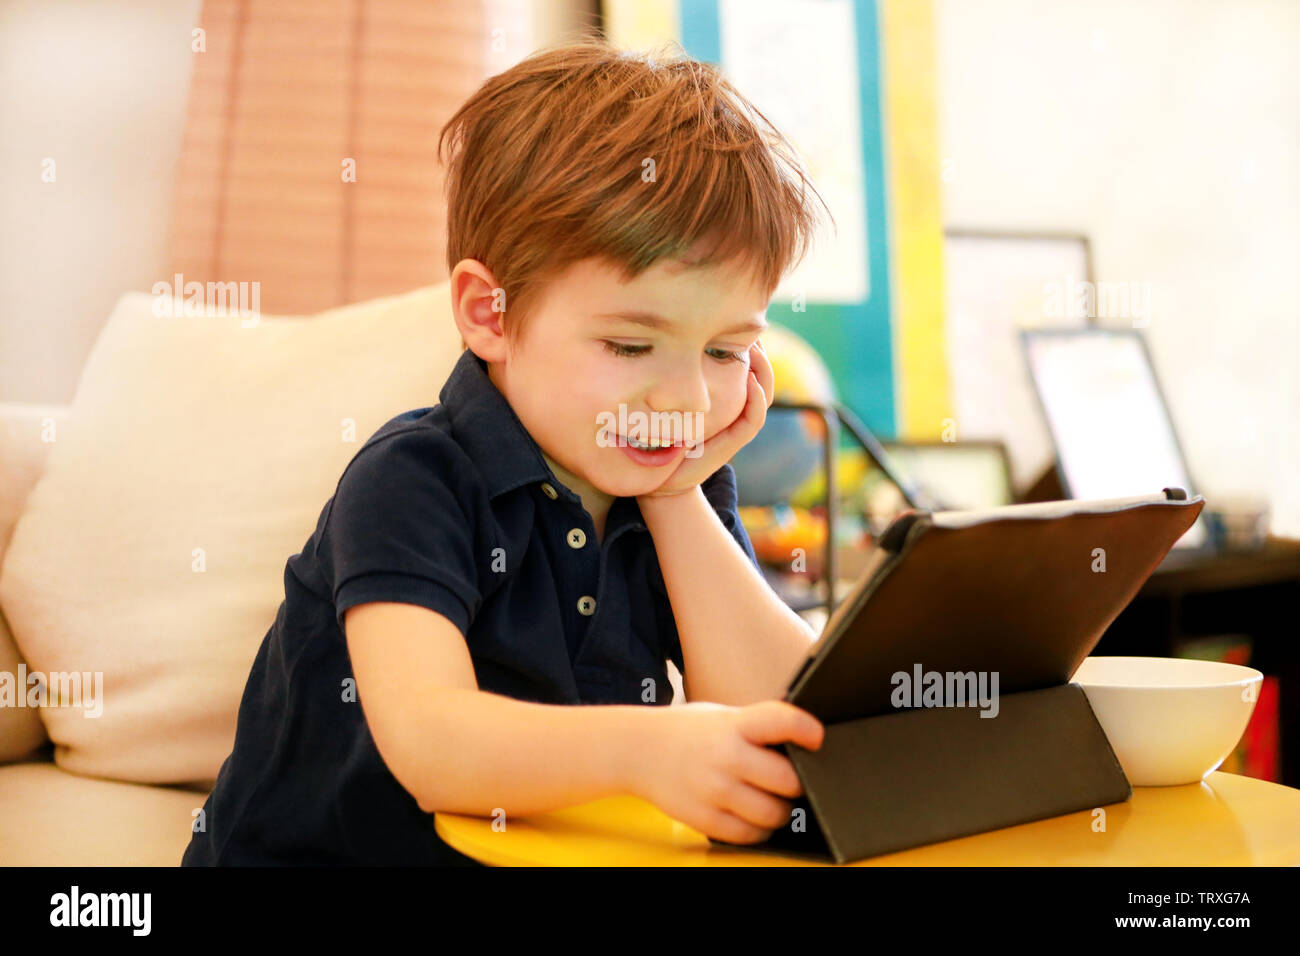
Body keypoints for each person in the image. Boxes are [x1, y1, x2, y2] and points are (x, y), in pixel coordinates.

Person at [183, 32, 834, 866]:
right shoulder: (411, 479)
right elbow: (431, 742)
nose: (689, 400)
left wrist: (675, 496)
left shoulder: (677, 484)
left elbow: (786, 717)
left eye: (724, 352)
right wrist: (645, 749)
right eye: (631, 348)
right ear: (490, 315)